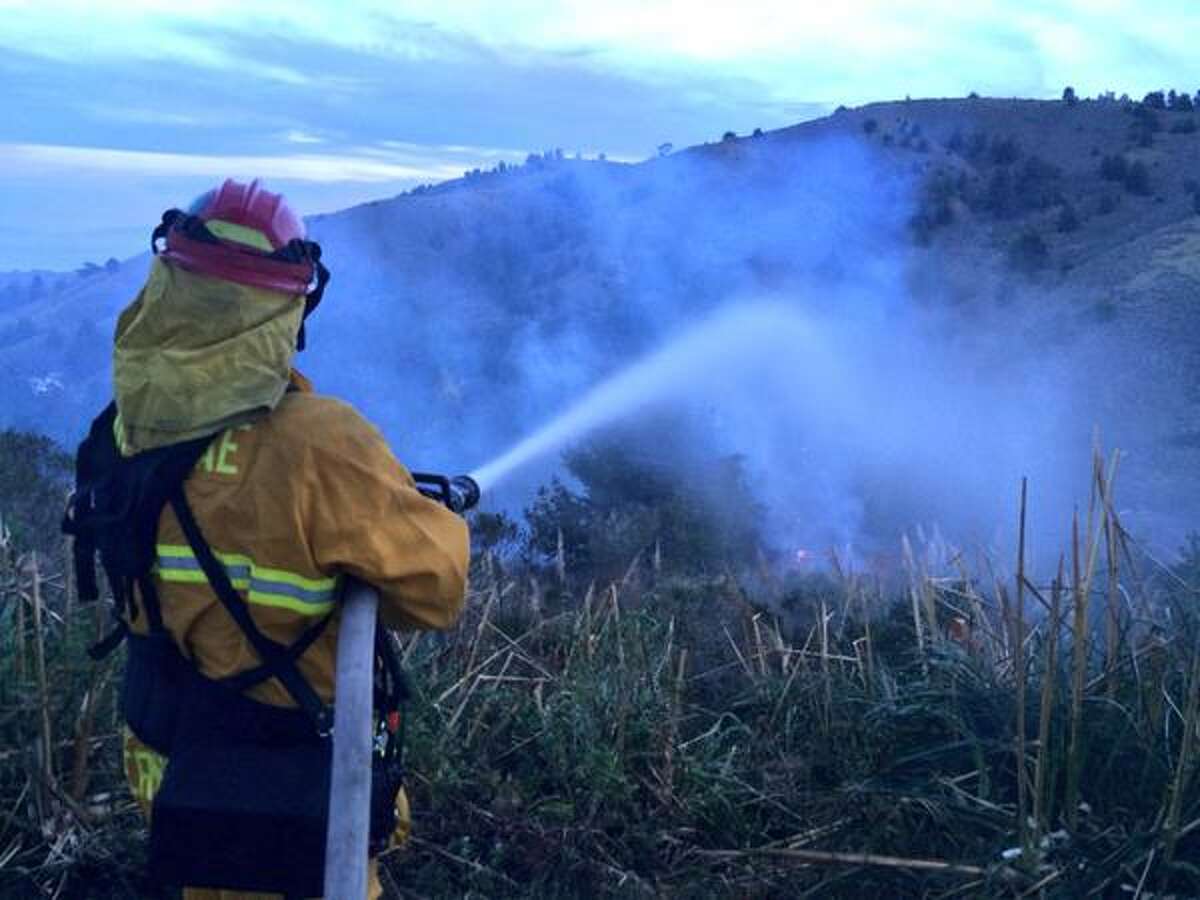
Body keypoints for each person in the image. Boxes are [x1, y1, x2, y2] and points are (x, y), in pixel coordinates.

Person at [71, 179, 469, 898]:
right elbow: (437, 592)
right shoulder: (320, 445)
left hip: (172, 786)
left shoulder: (119, 433)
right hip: (293, 810)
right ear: (289, 307)